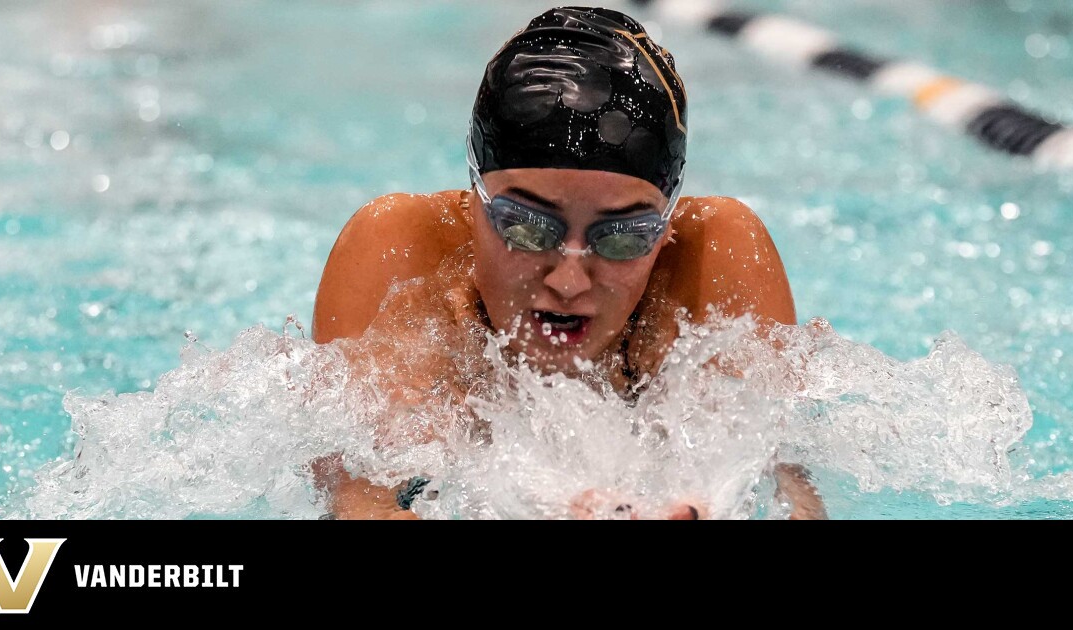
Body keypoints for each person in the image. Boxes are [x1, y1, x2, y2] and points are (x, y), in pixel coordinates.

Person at [311, 7, 826, 520]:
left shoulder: (716, 258)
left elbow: (797, 498)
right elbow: (361, 501)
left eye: (623, 238)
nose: (569, 280)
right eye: (528, 228)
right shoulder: (401, 254)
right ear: (474, 196)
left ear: (666, 227)